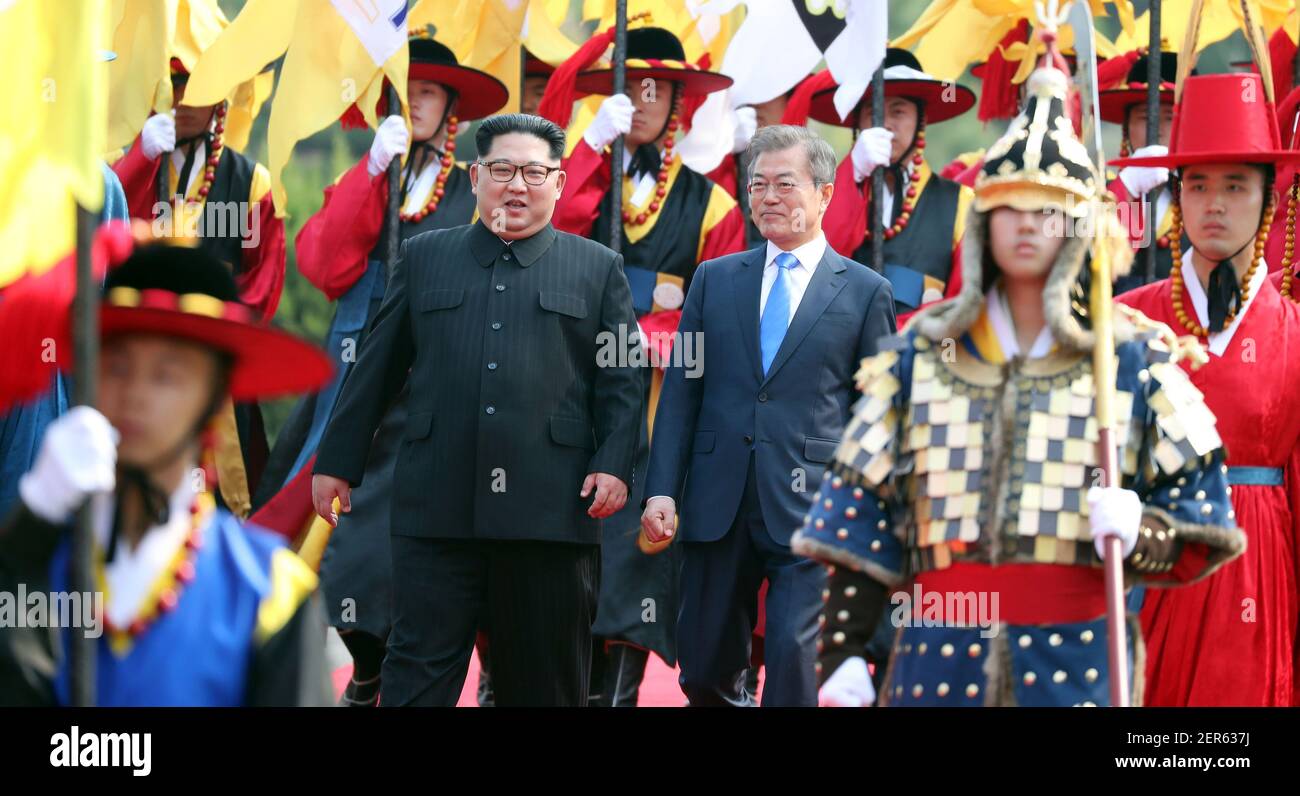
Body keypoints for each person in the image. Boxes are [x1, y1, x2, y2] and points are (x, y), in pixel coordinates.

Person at [792, 49, 1245, 707]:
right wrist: (844, 653)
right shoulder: (922, 358)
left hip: (1076, 663)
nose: (1029, 222)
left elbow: (1202, 515)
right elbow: (862, 515)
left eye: (1047, 208)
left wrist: (1139, 530)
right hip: (936, 664)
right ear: (984, 223)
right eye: (1011, 207)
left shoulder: (1132, 360)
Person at [311, 113, 642, 707]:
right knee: (416, 679)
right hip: (436, 509)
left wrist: (614, 463)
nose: (517, 185)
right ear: (475, 177)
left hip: (551, 514)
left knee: (545, 687)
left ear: (559, 183)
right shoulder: (425, 257)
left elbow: (620, 381)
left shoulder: (597, 268)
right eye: (502, 169)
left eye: (534, 172)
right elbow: (376, 369)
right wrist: (337, 461)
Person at [253, 31, 508, 709]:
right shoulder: (368, 175)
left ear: (451, 106)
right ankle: (365, 668)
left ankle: (403, 670)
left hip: (434, 382)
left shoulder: (475, 189)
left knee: (396, 543)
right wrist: (370, 172)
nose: (415, 103)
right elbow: (325, 265)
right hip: (356, 377)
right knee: (320, 532)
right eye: (405, 91)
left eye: (428, 93)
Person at [0, 241, 332, 706]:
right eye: (117, 367)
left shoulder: (268, 592)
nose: (135, 393)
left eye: (166, 375)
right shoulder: (37, 563)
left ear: (214, 397)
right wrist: (26, 534)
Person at [641, 124, 895, 706]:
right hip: (717, 500)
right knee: (703, 666)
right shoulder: (714, 279)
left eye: (785, 183)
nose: (769, 197)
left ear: (824, 193)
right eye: (758, 185)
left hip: (814, 505)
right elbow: (682, 394)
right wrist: (661, 491)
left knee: (794, 659)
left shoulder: (865, 292)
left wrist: (871, 509)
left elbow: (876, 414)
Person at [541, 25, 747, 704]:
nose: (644, 99)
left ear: (679, 103)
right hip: (575, 384)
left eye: (658, 89)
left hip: (658, 400)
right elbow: (547, 237)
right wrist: (588, 149)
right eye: (633, 86)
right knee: (570, 541)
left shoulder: (712, 202)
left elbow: (721, 311)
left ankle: (618, 695)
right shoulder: (584, 177)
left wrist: (657, 335)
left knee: (635, 552)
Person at [1114, 72, 1300, 706]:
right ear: (1176, 197)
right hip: (1150, 554)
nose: (1214, 204)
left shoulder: (1293, 332)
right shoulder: (1125, 319)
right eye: (1197, 185)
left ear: (1268, 200)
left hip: (1256, 565)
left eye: (1235, 185)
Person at [112, 56, 282, 516]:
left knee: (226, 501)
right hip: (139, 351)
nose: (185, 101)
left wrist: (219, 334)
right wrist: (138, 161)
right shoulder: (129, 166)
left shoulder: (251, 182)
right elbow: (108, 238)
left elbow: (262, 280)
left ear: (220, 101)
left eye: (198, 88)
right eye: (175, 87)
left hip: (217, 359)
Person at [790, 49, 977, 320]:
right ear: (857, 122)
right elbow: (808, 262)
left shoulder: (961, 203)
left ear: (921, 120)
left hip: (921, 343)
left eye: (898, 111)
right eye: (873, 112)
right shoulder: (824, 196)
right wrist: (853, 169)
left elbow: (965, 299)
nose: (886, 124)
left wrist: (903, 336)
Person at [1102, 49, 1188, 294]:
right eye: (1145, 118)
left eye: (1169, 118)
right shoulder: (1099, 191)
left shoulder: (1204, 196)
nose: (1157, 129)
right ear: (1126, 127)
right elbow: (1082, 264)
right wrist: (1124, 190)